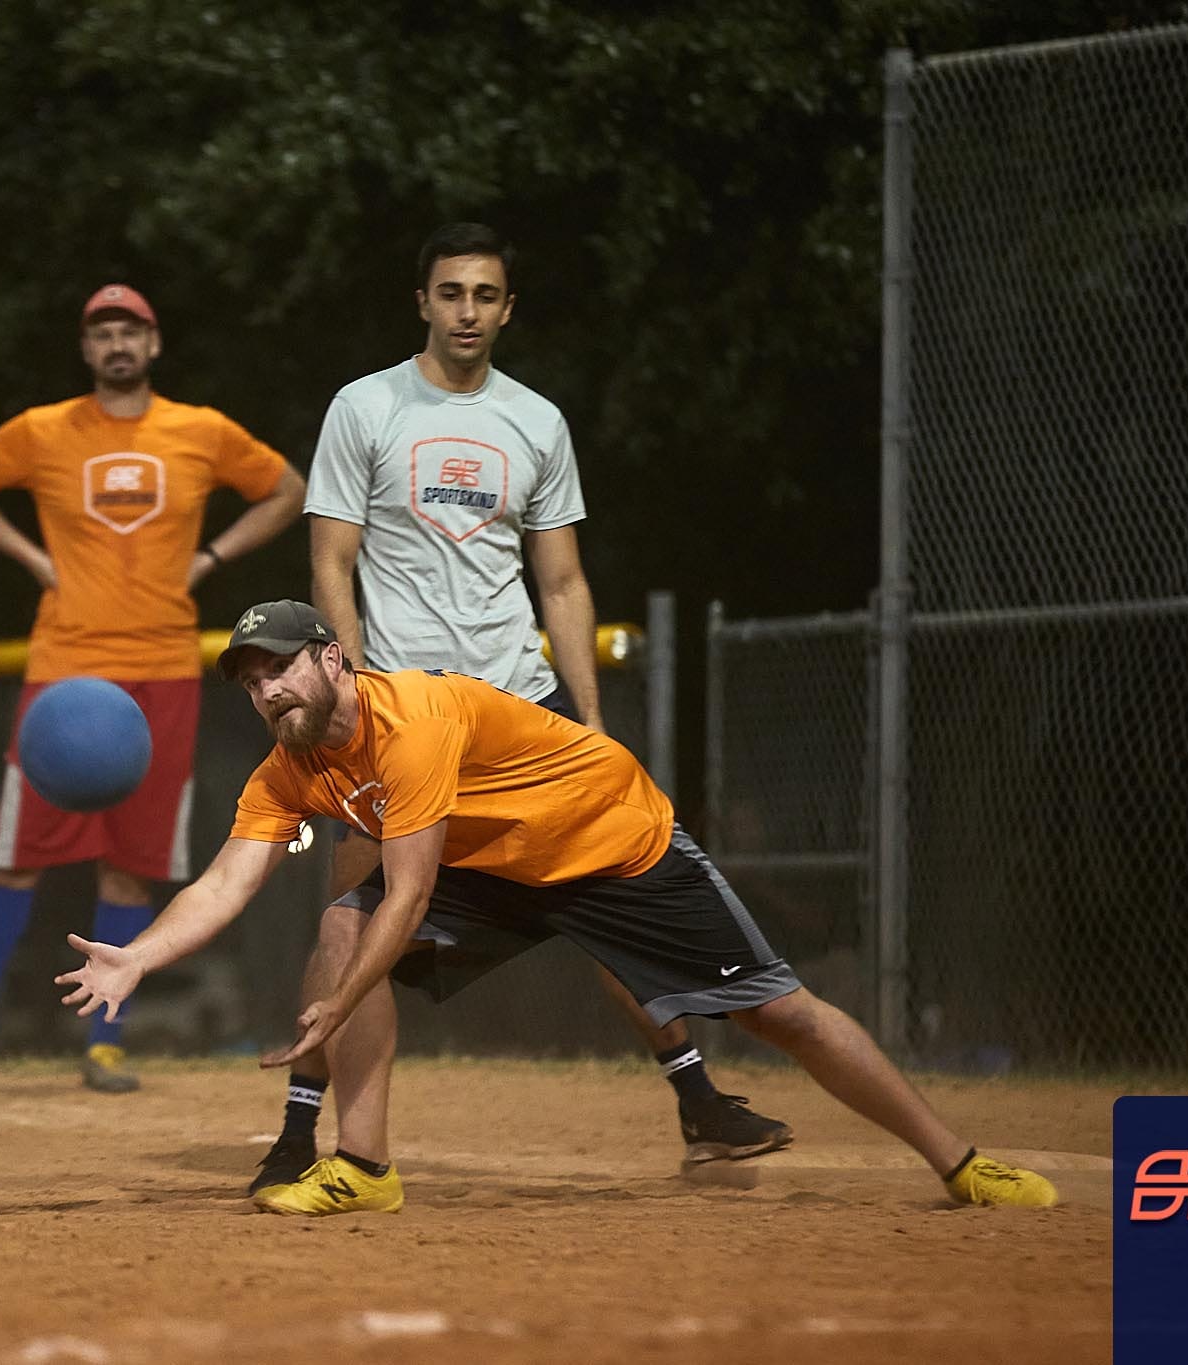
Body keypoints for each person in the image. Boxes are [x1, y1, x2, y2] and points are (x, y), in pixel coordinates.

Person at [57, 600, 1059, 1215]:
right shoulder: (289, 769)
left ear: (333, 659)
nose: (269, 687)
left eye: (281, 663)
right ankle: (362, 1166)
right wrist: (140, 956)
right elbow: (228, 879)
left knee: (774, 1013)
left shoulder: (409, 724)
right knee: (336, 923)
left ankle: (958, 1163)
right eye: (250, 678)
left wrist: (342, 999)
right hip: (495, 863)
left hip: (609, 844)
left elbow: (408, 889)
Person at [244, 222, 789, 1194]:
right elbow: (331, 560)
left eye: (484, 295)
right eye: (449, 293)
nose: (466, 311)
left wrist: (587, 716)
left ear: (506, 308)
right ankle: (299, 1127)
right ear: (421, 302)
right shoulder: (364, 407)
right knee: (346, 917)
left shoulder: (535, 421)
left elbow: (564, 581)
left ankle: (697, 1097)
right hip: (400, 707)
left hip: (515, 703)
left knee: (599, 891)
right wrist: (354, 698)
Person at [0, 284, 306, 1094]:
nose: (117, 343)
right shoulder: (44, 429)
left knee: (131, 864)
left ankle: (106, 1038)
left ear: (154, 343)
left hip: (163, 666)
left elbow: (287, 489)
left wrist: (213, 560)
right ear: (86, 348)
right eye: (102, 331)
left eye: (131, 329)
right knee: (15, 857)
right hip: (65, 667)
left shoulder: (198, 430)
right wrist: (31, 559)